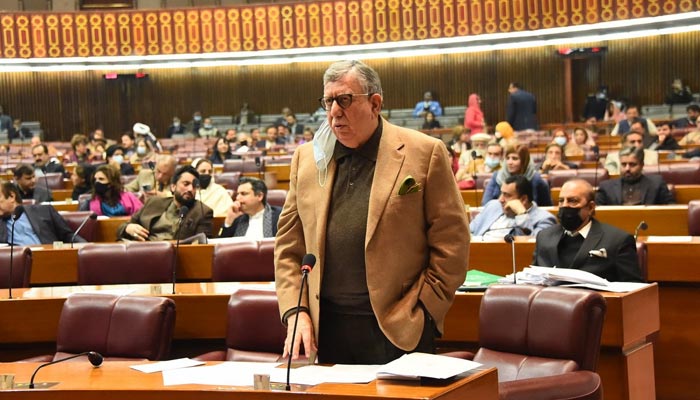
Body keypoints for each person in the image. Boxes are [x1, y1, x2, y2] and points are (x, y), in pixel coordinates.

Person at [275, 60, 469, 365]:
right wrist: (296, 310)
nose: (334, 112)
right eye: (328, 101)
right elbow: (289, 248)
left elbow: (452, 243)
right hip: (324, 332)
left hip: (399, 328)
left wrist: (425, 310)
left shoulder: (424, 152)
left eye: (345, 100)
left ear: (375, 103)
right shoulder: (307, 159)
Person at [532, 179, 643, 282]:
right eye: (561, 201)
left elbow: (634, 288)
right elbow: (532, 279)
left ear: (590, 208)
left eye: (572, 201)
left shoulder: (617, 240)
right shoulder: (544, 237)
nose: (565, 206)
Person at [117, 165, 213, 241]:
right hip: (142, 250)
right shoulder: (153, 202)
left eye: (194, 186)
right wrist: (128, 227)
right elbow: (122, 228)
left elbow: (202, 247)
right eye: (186, 184)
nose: (190, 189)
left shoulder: (202, 212)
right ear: (173, 187)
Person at [0, 182, 85, 245]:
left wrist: (85, 246)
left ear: (11, 196)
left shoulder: (44, 211)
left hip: (49, 260)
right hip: (15, 266)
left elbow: (68, 236)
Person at [470, 175, 555, 237]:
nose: (500, 199)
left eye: (506, 195)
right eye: (501, 193)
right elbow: (469, 231)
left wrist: (522, 214)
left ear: (523, 199)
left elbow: (533, 245)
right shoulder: (493, 206)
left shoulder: (544, 219)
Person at [596, 146, 674, 205]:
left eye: (632, 164)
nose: (627, 169)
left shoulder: (656, 183)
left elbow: (670, 210)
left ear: (642, 165)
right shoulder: (606, 187)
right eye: (623, 164)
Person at [482, 145, 552, 206]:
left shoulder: (535, 179)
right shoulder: (497, 176)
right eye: (508, 158)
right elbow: (485, 204)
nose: (510, 162)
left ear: (524, 162)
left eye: (515, 159)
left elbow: (547, 207)